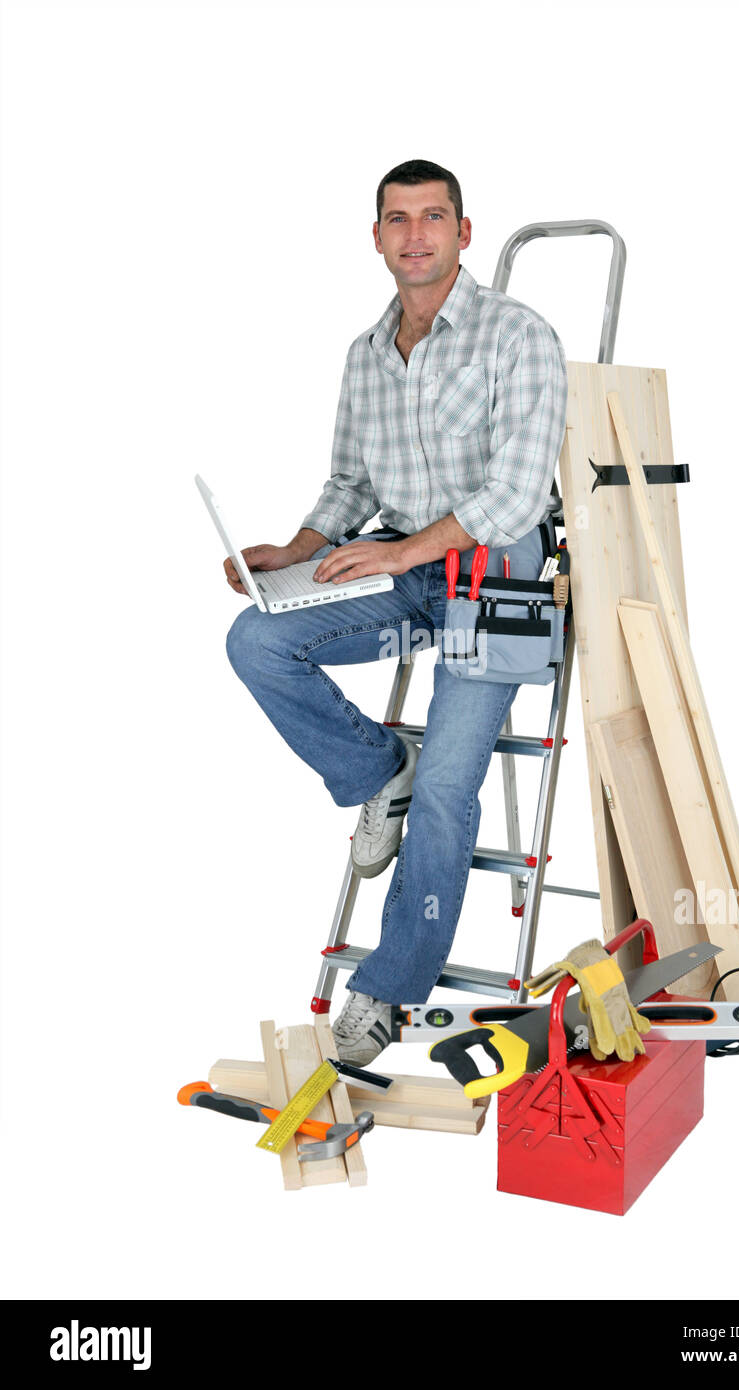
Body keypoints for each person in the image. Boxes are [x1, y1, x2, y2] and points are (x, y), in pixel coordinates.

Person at [224, 159, 568, 1064]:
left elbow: (518, 492)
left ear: (464, 231)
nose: (416, 234)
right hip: (406, 570)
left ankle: (385, 990)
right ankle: (381, 766)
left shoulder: (519, 336)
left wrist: (405, 550)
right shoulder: (365, 355)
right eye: (398, 219)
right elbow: (350, 482)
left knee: (451, 791)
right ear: (376, 237)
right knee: (259, 638)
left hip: (494, 581)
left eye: (434, 217)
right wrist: (294, 550)